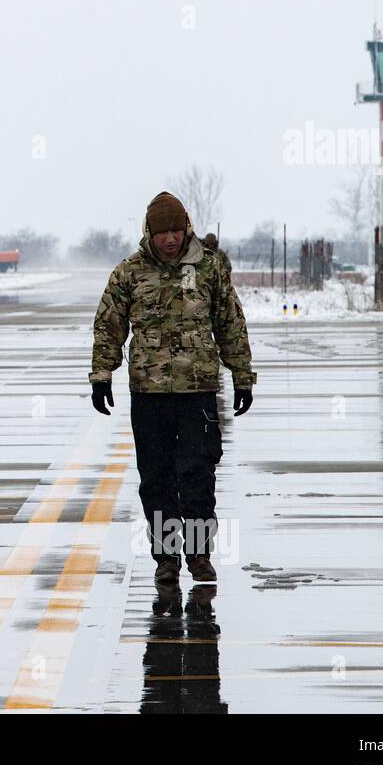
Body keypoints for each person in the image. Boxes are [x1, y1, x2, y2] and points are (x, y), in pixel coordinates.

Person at [89, 191, 255, 585]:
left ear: (187, 229)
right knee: (157, 479)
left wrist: (242, 375)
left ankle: (199, 555)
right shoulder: (128, 273)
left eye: (176, 231)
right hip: (149, 395)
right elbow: (108, 326)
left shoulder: (209, 269)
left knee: (198, 474)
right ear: (150, 232)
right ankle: (165, 560)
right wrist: (101, 375)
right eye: (163, 232)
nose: (170, 239)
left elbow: (231, 323)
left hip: (197, 390)